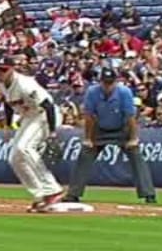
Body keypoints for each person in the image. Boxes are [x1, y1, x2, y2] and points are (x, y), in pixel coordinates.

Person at [64, 67, 156, 205]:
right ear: (100, 82)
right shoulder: (92, 92)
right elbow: (89, 116)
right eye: (105, 83)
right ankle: (73, 193)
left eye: (111, 83)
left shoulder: (124, 92)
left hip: (122, 128)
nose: (108, 86)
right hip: (99, 128)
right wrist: (88, 138)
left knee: (136, 155)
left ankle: (148, 194)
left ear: (115, 82)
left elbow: (130, 117)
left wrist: (133, 138)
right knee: (85, 154)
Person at [0, 51, 65, 212]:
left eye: (3, 69)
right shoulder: (1, 83)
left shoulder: (25, 84)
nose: (0, 73)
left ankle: (52, 190)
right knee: (14, 158)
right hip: (29, 116)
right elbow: (8, 103)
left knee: (24, 148)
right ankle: (39, 194)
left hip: (44, 115)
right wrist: (8, 126)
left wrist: (52, 132)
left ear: (11, 69)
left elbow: (48, 106)